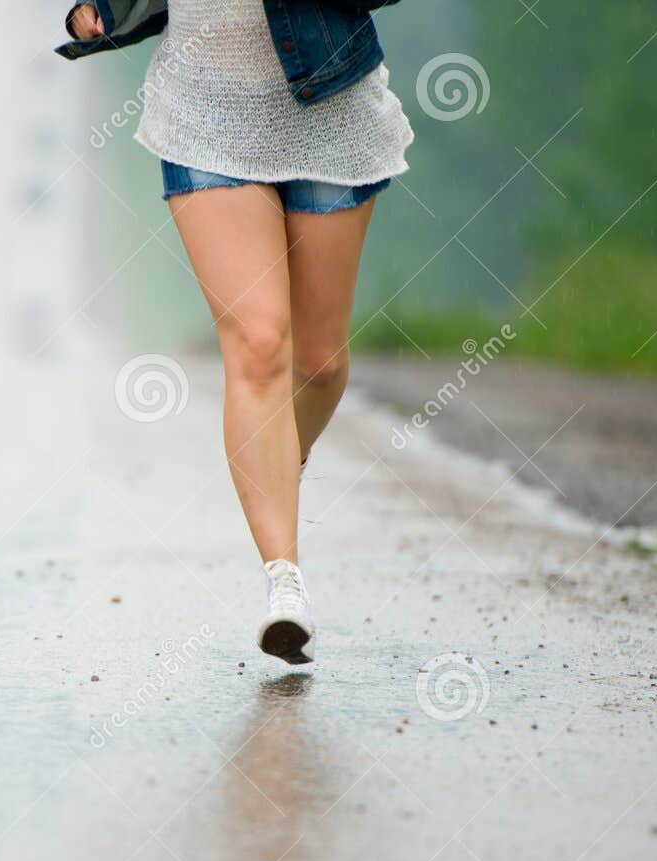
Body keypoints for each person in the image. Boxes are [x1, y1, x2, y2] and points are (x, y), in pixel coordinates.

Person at [60, 0, 412, 664]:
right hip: (205, 112)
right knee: (257, 343)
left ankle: (275, 466)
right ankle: (285, 586)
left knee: (320, 362)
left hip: (327, 100)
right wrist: (97, 8)